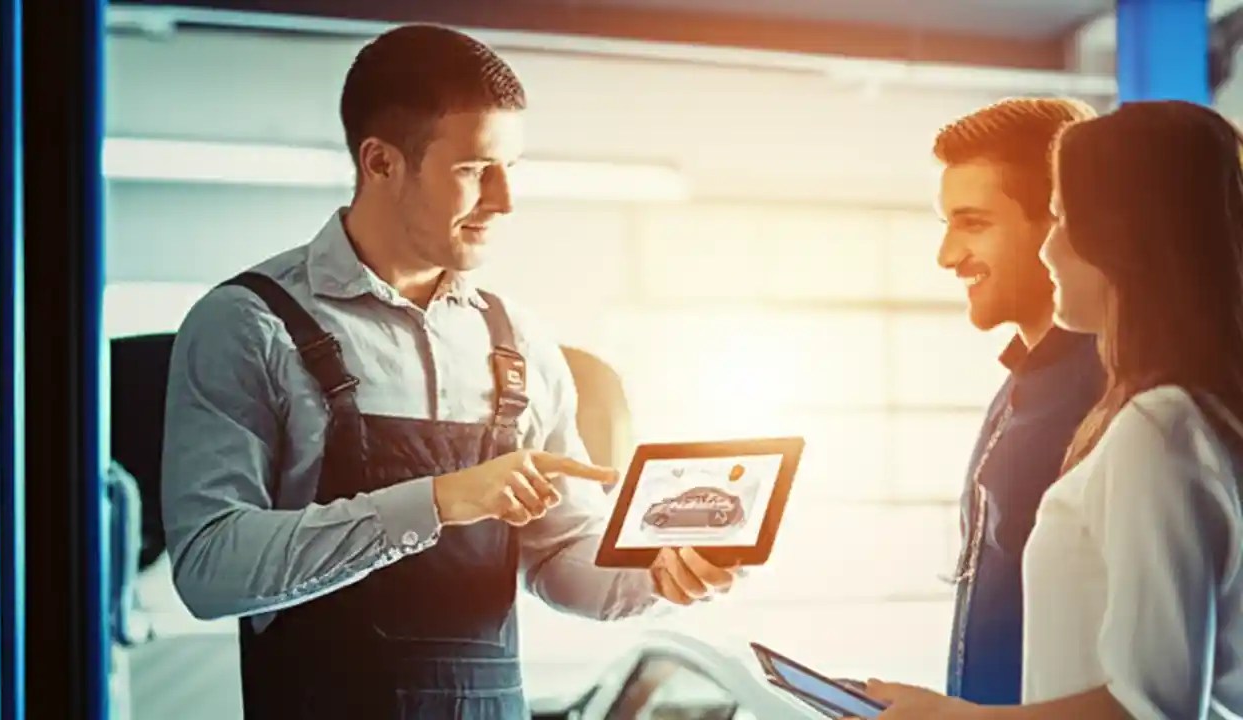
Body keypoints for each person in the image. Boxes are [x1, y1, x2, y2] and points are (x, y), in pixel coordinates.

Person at [160, 24, 737, 719]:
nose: (504, 200)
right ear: (380, 163)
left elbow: (557, 555)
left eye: (510, 169)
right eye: (473, 169)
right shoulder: (248, 325)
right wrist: (440, 501)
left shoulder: (519, 341)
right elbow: (209, 567)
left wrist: (655, 575)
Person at [861, 100, 1243, 719]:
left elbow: (1152, 706)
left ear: (1119, 237)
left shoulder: (1154, 426)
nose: (1048, 249)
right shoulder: (1158, 411)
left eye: (1062, 220)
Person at [930, 97, 1104, 705]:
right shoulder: (1014, 390)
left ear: (1059, 222)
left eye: (974, 223)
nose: (946, 257)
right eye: (946, 224)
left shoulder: (1116, 394)